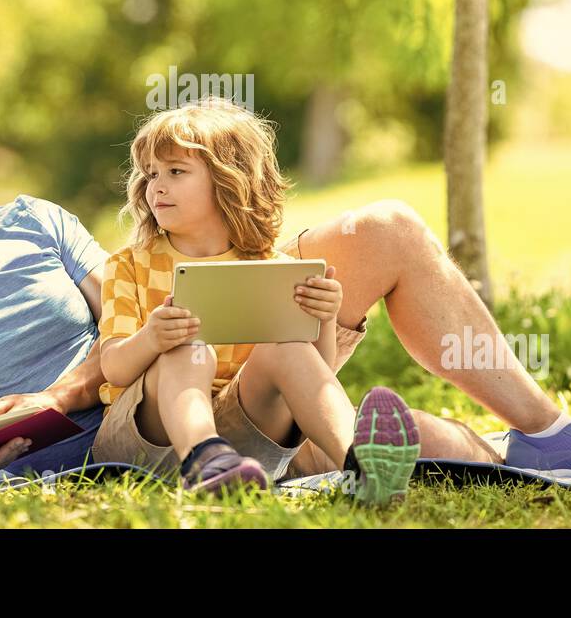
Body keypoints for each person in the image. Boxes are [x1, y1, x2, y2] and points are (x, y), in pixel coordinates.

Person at [0, 93, 571, 487]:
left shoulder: (35, 222)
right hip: (138, 419)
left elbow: (128, 315)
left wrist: (59, 386)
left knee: (388, 232)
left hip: (201, 378)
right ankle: (356, 459)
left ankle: (548, 434)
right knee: (387, 427)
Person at [90, 98, 420, 500]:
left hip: (244, 445)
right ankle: (205, 459)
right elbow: (115, 368)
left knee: (290, 348)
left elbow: (316, 371)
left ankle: (360, 469)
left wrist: (324, 319)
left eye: (176, 172)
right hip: (142, 442)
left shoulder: (271, 267)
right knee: (189, 351)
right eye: (151, 173)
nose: (156, 185)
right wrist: (152, 339)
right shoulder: (129, 264)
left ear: (229, 180)